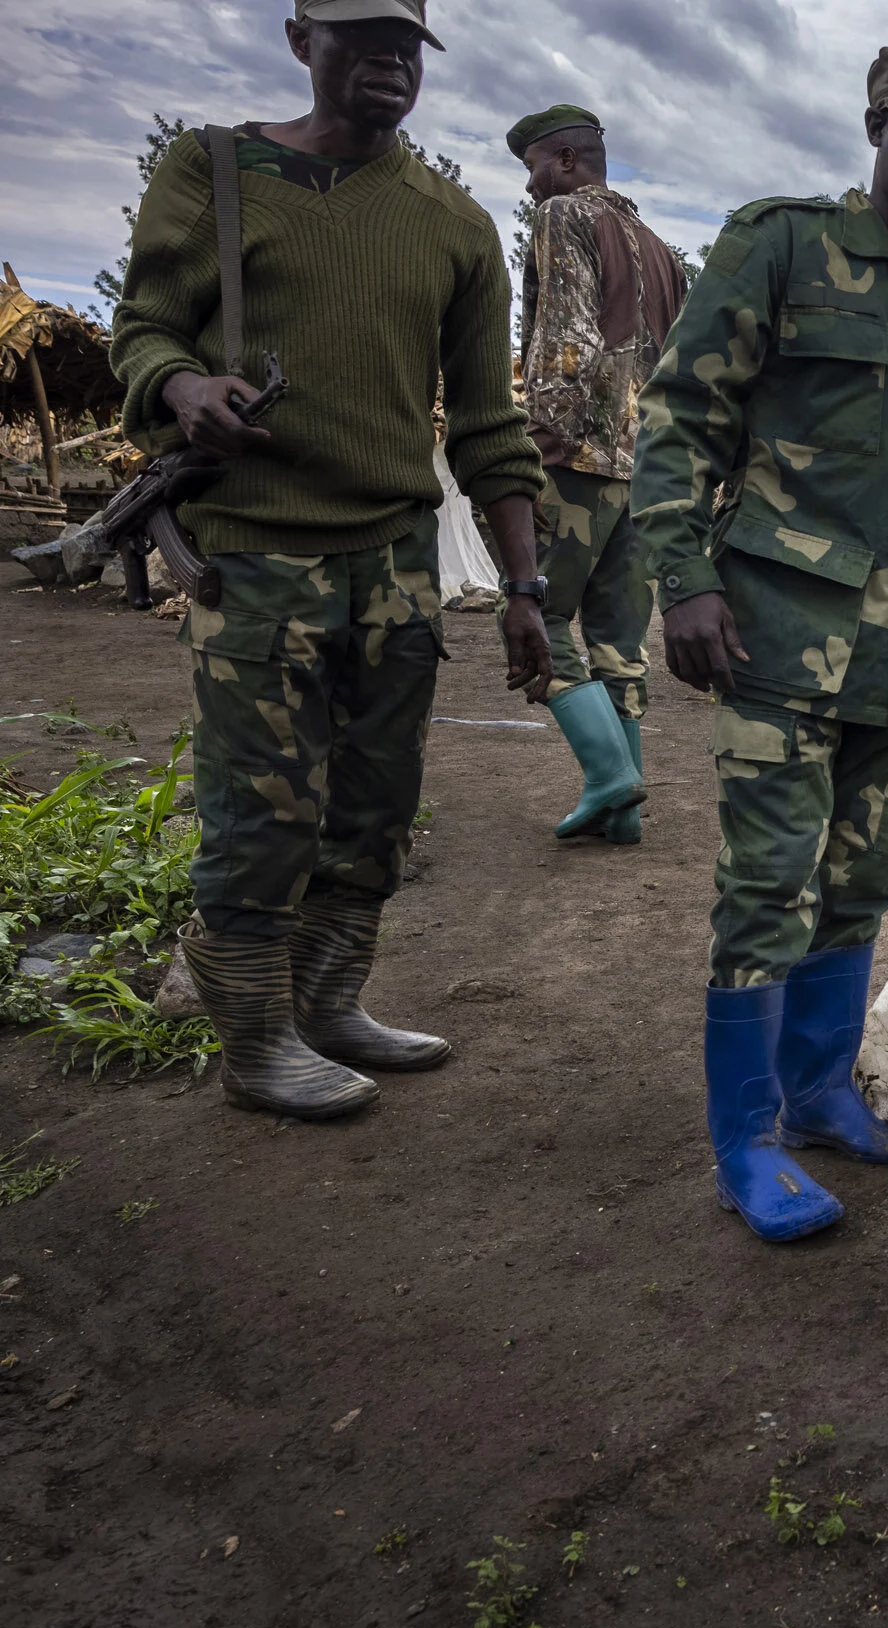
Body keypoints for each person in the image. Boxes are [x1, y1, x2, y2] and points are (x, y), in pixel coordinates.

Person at [110, 0, 550, 1121]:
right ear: (303, 43)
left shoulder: (451, 221)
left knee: (374, 801)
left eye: (408, 48)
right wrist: (183, 387)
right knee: (260, 809)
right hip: (255, 553)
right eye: (362, 44)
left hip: (396, 559)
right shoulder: (211, 173)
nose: (390, 66)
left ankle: (328, 1001)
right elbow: (143, 328)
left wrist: (524, 587)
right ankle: (255, 1041)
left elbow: (491, 425)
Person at [631, 40, 888, 1242]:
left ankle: (815, 1094)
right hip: (777, 636)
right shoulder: (783, 247)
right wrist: (684, 578)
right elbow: (680, 417)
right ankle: (745, 1139)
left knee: (858, 883)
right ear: (876, 127)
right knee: (768, 888)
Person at [506, 103, 689, 844]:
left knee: (536, 615)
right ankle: (623, 816)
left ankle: (610, 774)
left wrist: (539, 444)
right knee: (619, 638)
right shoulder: (661, 249)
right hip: (645, 474)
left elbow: (566, 347)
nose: (530, 190)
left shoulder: (563, 220)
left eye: (533, 170)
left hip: (576, 461)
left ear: (566, 162)